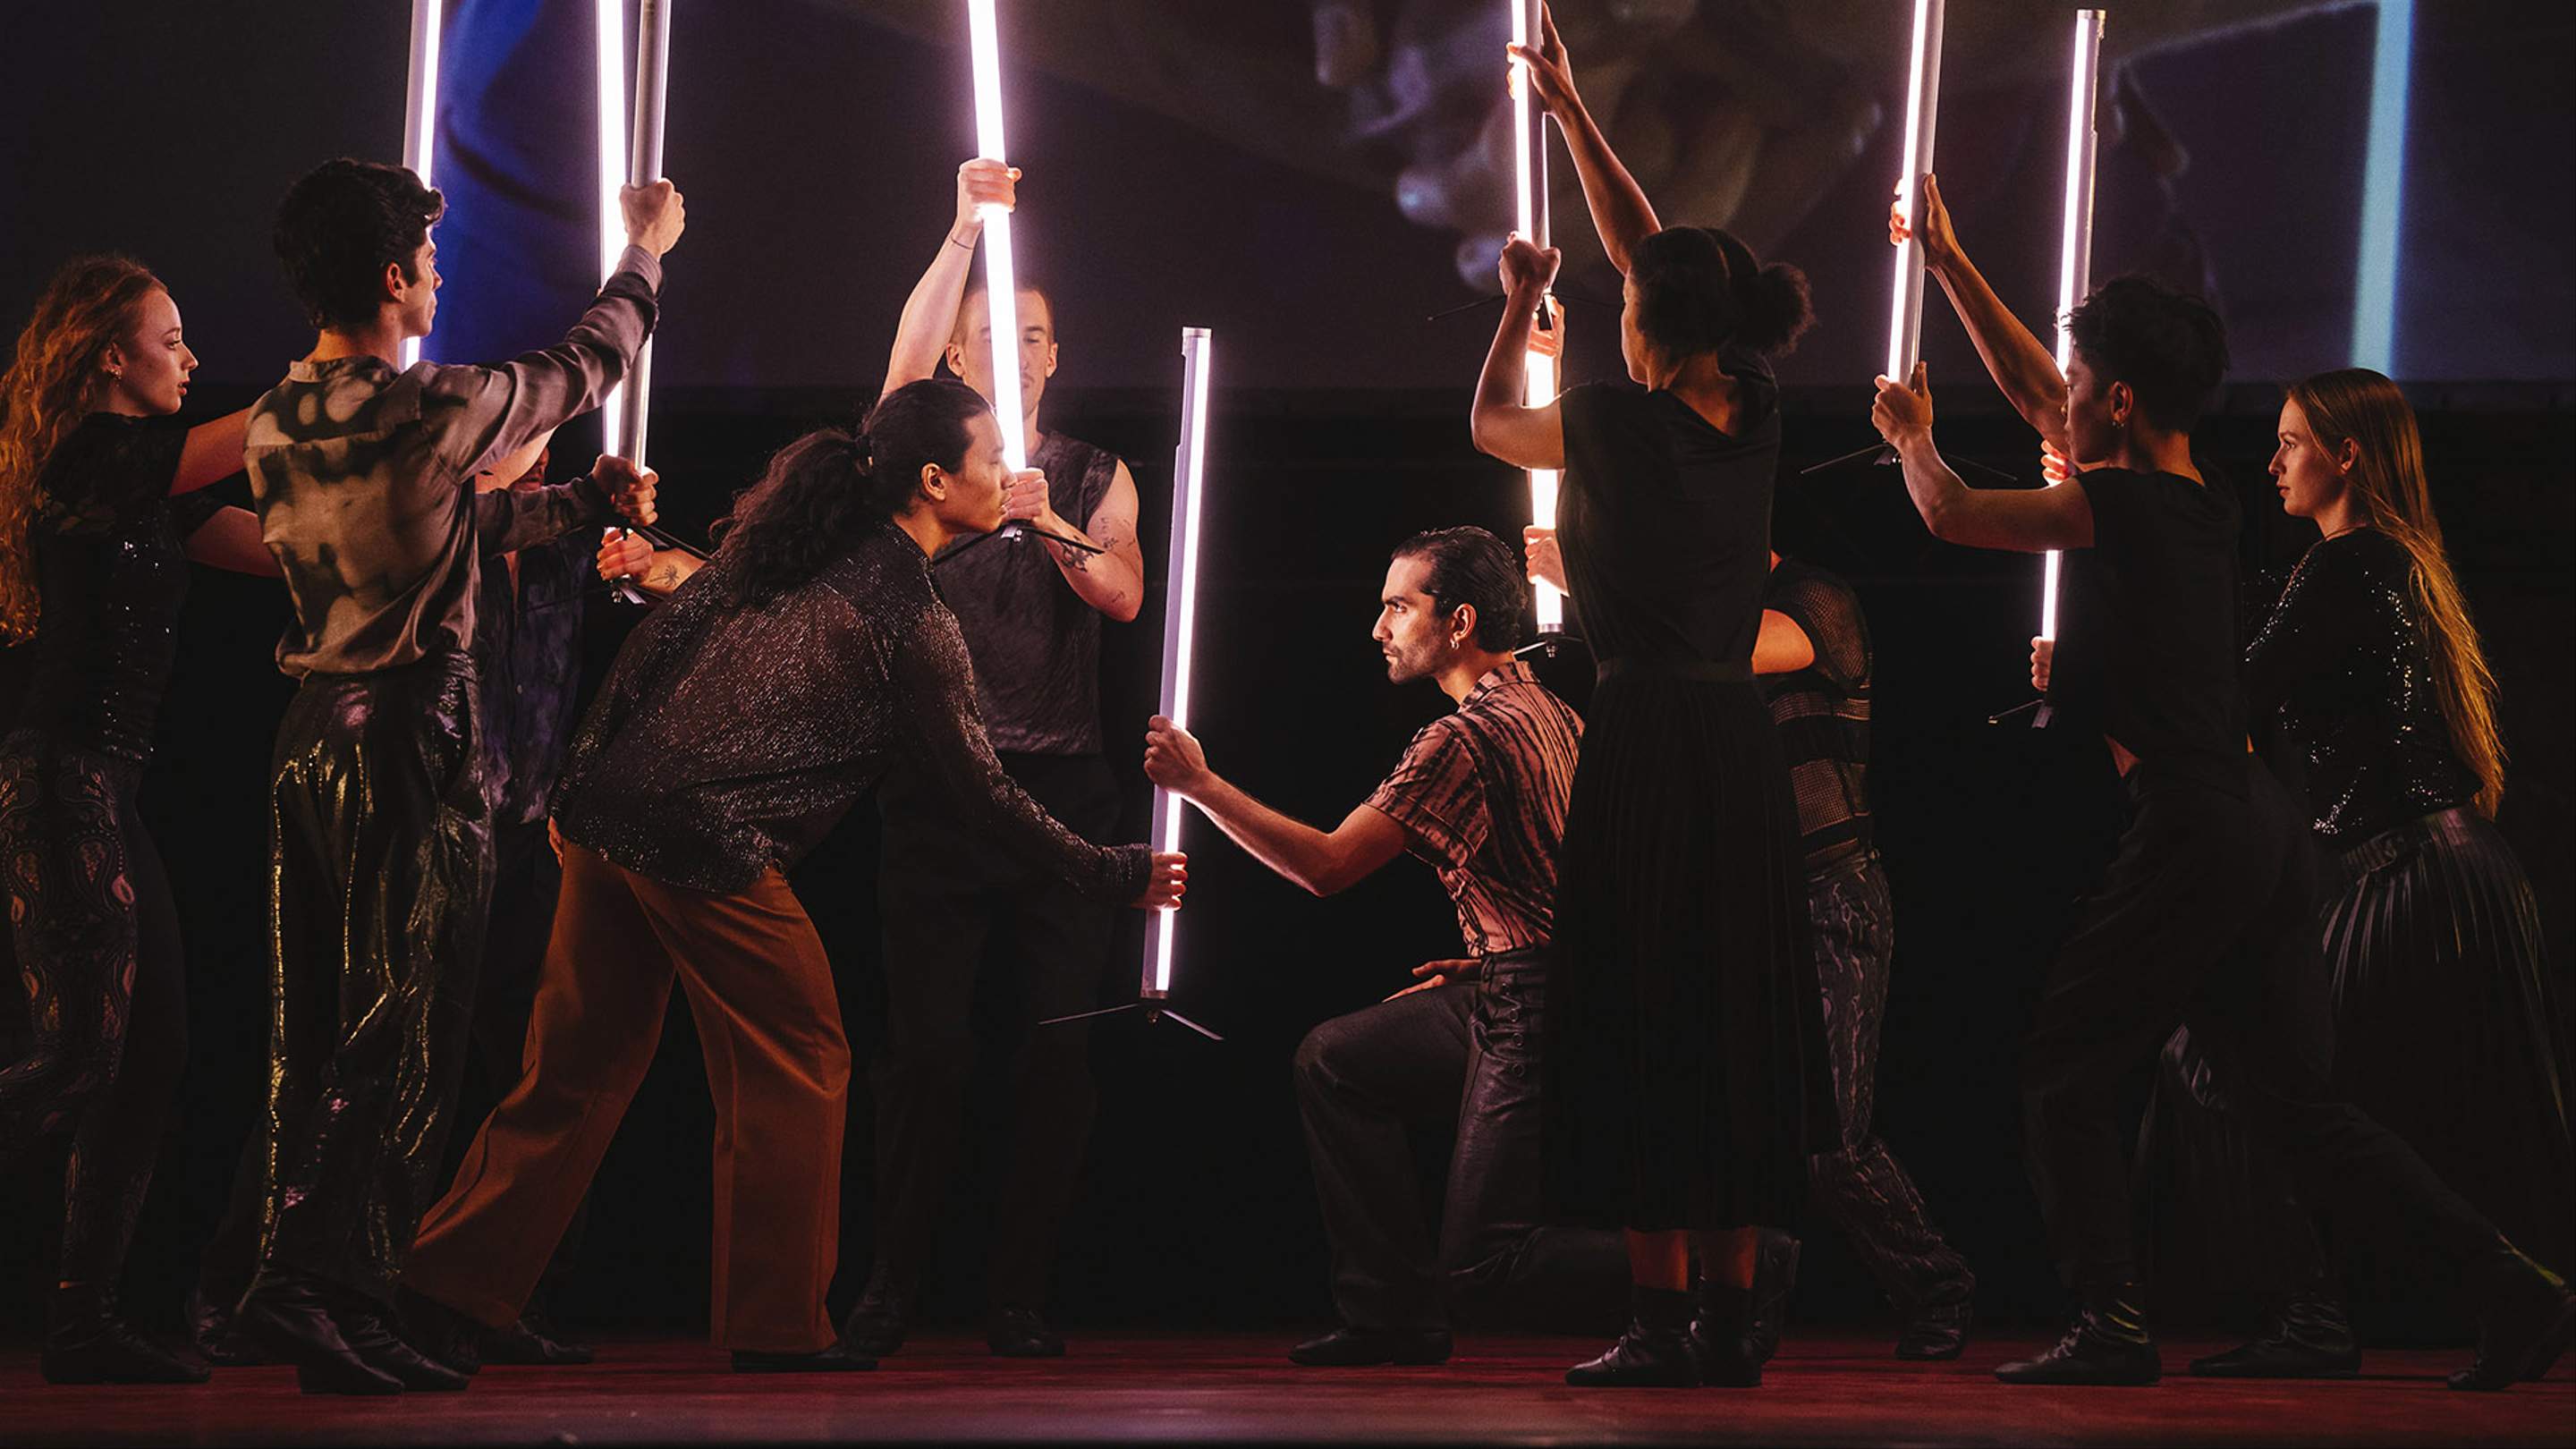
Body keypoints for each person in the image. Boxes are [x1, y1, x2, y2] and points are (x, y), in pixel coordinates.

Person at [1877, 174, 2574, 1391]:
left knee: (2063, 1066)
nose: (2063, 399)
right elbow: (2045, 389)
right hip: (2261, 829)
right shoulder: (2196, 499)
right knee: (2292, 1100)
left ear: (2126, 400)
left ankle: (2113, 1323)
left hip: (2197, 823)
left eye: (2086, 387)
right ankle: (2513, 1284)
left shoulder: (2134, 504)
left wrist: (1912, 442)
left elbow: (1948, 516)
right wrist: (1944, 258)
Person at [394, 379, 1187, 1376]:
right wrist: (1114, 871)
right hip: (707, 845)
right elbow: (985, 796)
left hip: (608, 823)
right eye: (993, 459)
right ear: (937, 482)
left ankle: (443, 1287)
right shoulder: (911, 615)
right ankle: (776, 1328)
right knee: (804, 1060)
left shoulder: (789, 554)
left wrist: (577, 794)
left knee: (573, 1073)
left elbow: (649, 650)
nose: (1010, 475)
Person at [228, 157, 675, 1395]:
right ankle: (308, 1287)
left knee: (318, 1032)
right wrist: (645, 248)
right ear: (391, 276)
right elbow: (588, 363)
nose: (441, 274)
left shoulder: (276, 415)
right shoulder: (434, 406)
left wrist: (579, 503)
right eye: (428, 258)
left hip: (310, 736)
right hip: (411, 735)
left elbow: (440, 531)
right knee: (404, 1035)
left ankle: (337, 1294)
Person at [1477, 10, 1835, 1389]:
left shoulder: (1614, 419)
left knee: (1640, 1005)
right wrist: (1570, 111)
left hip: (1639, 740)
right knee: (1732, 1010)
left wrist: (1520, 306)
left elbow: (1491, 428)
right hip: (1735, 749)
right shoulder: (1752, 407)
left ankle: (1660, 1319)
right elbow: (1669, 270)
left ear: (1642, 330)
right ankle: (1734, 1324)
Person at [2133, 369, 2573, 1377]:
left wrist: (2088, 670)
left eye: (2293, 441)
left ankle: (2339, 1313)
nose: (2275, 457)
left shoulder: (2351, 569)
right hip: (2447, 872)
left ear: (2348, 455)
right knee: (2281, 1080)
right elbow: (2232, 612)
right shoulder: (2373, 565)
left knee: (2229, 1066)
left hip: (2415, 876)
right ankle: (2423, 1300)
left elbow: (2230, 688)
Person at [1142, 526, 1620, 1368]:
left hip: (1537, 1003)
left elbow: (1327, 868)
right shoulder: (1550, 706)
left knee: (1483, 1267)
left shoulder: (1462, 738)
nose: (1379, 628)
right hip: (1532, 980)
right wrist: (1490, 957)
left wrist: (1201, 786)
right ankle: (1390, 1312)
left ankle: (1733, 1269)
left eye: (1399, 606)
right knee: (1336, 1061)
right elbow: (1582, 877)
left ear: (1460, 621)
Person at [1532, 529, 1977, 1361]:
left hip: (1832, 893)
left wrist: (1599, 585)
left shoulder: (1817, 600)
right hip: (1741, 900)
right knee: (1743, 1118)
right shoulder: (1691, 632)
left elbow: (1724, 652)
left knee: (1829, 1134)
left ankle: (1936, 1285)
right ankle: (1737, 1322)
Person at [846, 157, 1152, 1360]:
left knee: (1058, 1051)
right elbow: (901, 372)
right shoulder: (924, 467)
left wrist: (1049, 521)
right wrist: (968, 229)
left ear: (1056, 354)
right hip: (937, 795)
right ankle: (887, 1291)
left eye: (1037, 335)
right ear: (965, 363)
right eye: (996, 337)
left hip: (1062, 792)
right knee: (924, 1052)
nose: (1018, 352)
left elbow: (1123, 593)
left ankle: (1018, 1293)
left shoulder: (1088, 473)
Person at [0, 256, 276, 1384]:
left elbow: (287, 555)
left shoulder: (147, 482)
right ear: (110, 355)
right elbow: (263, 426)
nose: (192, 356)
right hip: (59, 784)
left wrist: (485, 489)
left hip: (106, 790)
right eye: (172, 340)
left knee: (143, 1056)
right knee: (78, 1060)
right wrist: (348, 383)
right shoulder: (94, 459)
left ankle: (83, 1320)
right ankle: (79, 1319)